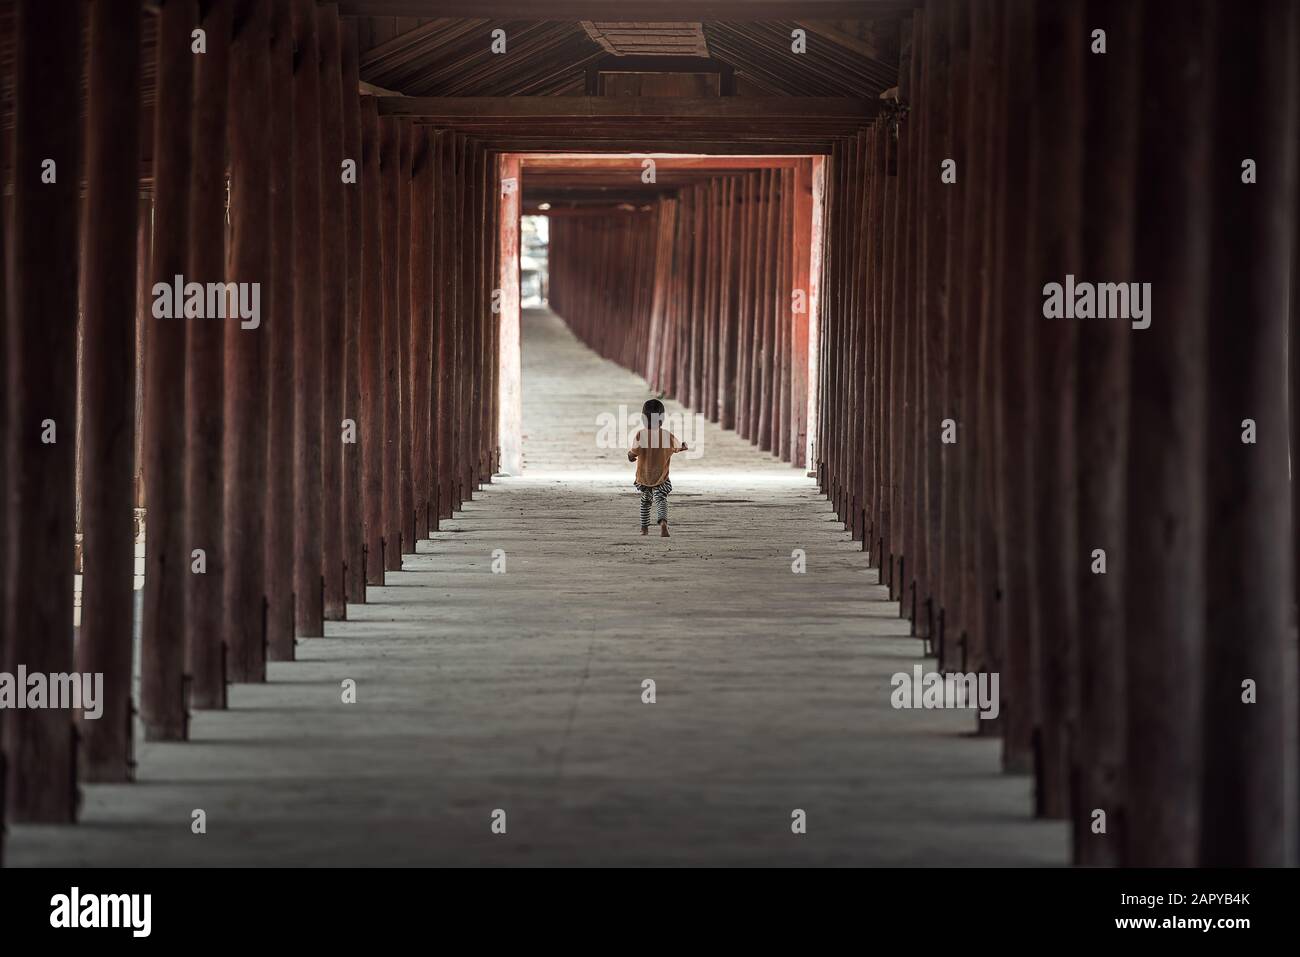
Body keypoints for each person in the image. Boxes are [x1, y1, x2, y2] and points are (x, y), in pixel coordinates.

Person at [627, 398, 687, 537]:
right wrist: (683, 447)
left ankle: (644, 528)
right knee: (661, 499)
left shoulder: (640, 434)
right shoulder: (666, 435)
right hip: (661, 476)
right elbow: (677, 447)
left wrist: (630, 455)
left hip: (644, 476)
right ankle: (663, 523)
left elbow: (634, 452)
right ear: (662, 419)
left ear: (643, 418)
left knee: (645, 500)